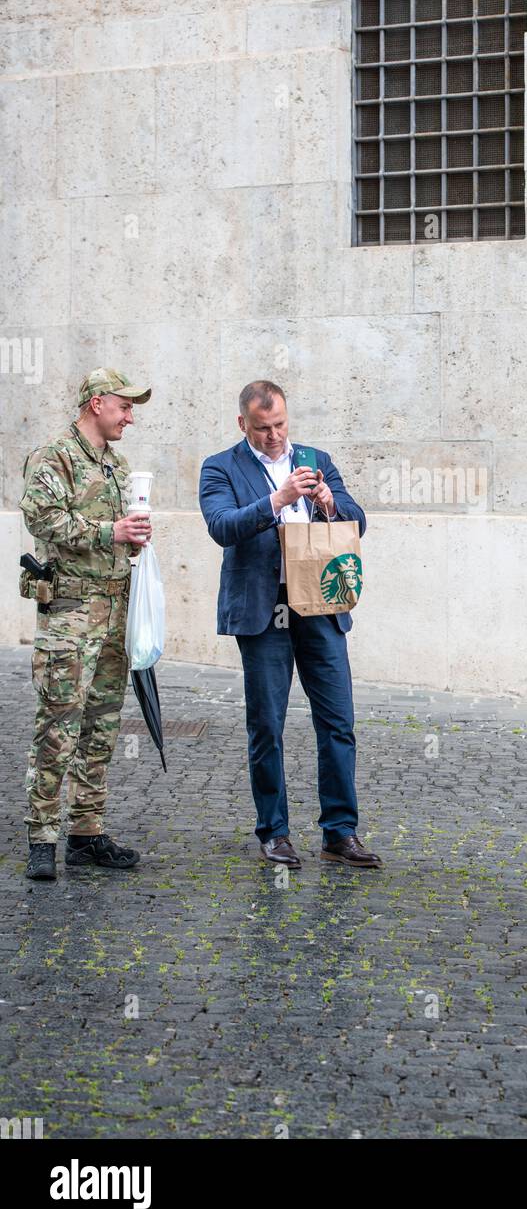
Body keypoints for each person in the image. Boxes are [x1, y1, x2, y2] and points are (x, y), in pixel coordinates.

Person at [198, 380, 381, 869]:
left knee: (338, 722)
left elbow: (357, 521)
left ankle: (340, 832)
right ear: (243, 424)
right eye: (263, 428)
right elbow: (222, 527)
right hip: (264, 611)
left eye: (280, 424)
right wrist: (276, 501)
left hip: (320, 604)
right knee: (267, 725)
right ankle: (274, 831)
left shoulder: (315, 458)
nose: (275, 435)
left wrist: (329, 502)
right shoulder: (220, 466)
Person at [20, 368, 153, 881]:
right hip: (70, 616)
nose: (130, 417)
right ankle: (41, 837)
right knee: (58, 725)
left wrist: (132, 537)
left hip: (114, 612)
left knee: (101, 725)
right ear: (97, 403)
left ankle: (86, 832)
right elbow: (41, 518)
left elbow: (117, 533)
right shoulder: (53, 455)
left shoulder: (117, 464)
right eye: (125, 406)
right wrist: (109, 531)